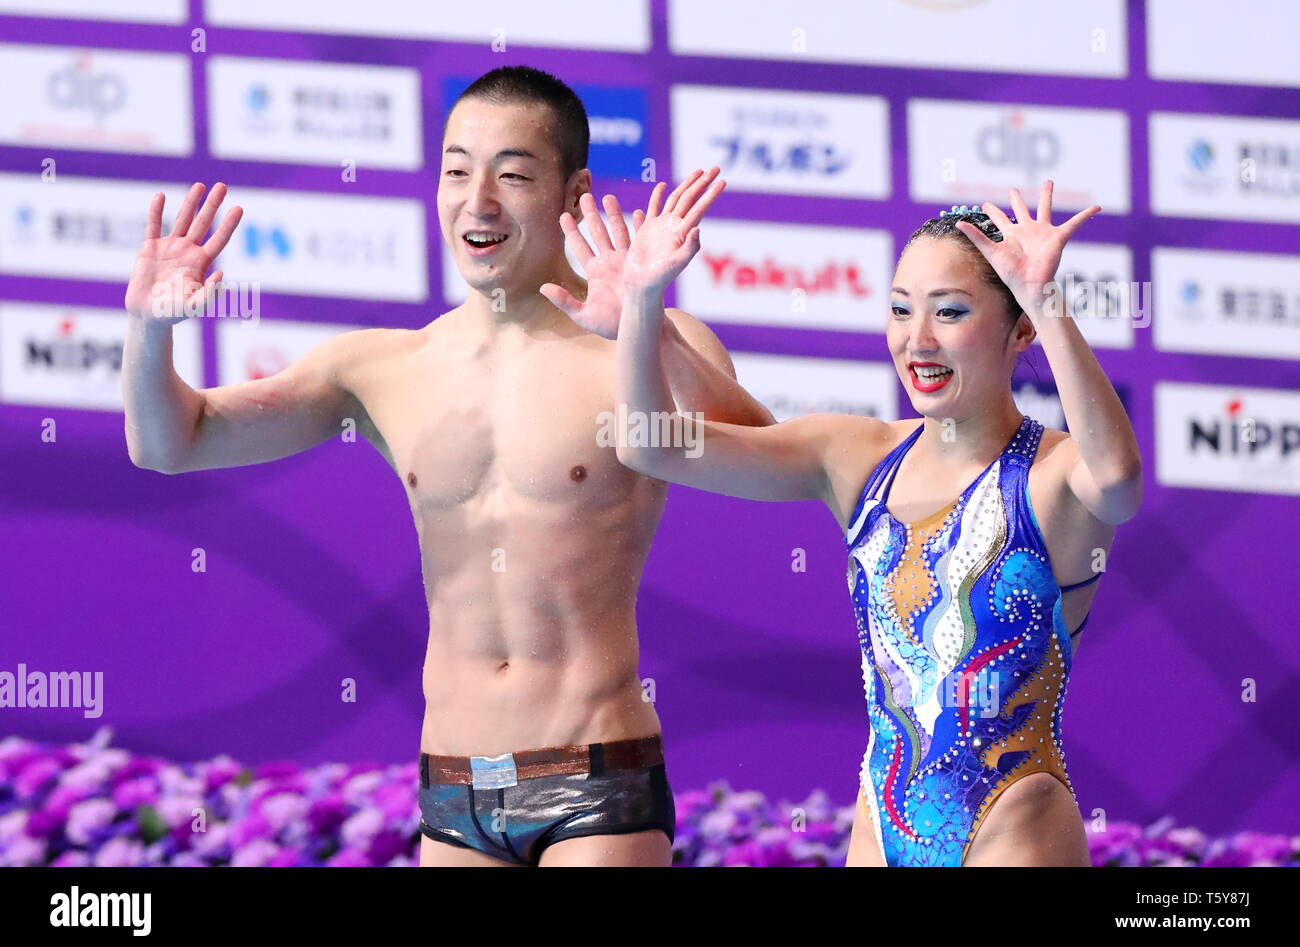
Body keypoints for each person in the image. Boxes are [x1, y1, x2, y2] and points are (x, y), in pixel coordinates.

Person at [121, 65, 773, 867]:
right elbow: (170, 443)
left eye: (513, 174)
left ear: (575, 194)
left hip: (595, 775)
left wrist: (644, 321)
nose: (479, 201)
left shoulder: (647, 342)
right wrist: (148, 332)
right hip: (453, 790)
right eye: (457, 171)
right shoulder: (387, 366)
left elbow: (763, 452)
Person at [614, 181, 1142, 866]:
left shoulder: (1053, 475)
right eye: (899, 311)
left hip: (1015, 828)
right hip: (879, 829)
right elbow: (648, 444)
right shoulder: (856, 457)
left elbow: (1120, 481)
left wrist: (1046, 300)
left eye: (950, 312)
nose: (917, 341)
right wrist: (640, 299)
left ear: (1019, 330)